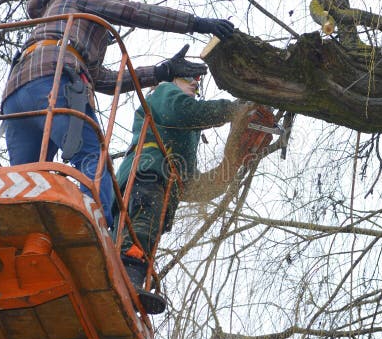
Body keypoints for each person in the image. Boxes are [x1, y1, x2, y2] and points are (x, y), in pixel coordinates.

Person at [1, 0, 235, 227]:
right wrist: (195, 23)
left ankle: (18, 230)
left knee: (26, 179)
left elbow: (104, 80)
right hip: (54, 79)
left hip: (15, 94)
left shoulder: (61, 28)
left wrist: (162, 71)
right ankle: (97, 226)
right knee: (92, 158)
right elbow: (131, 12)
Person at [113, 58, 274, 314]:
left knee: (146, 232)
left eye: (197, 86)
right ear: (173, 79)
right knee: (140, 228)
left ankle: (131, 280)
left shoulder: (188, 135)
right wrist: (235, 110)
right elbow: (186, 111)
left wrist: (230, 165)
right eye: (190, 80)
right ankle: (128, 276)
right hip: (146, 174)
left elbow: (193, 187)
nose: (194, 87)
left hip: (163, 188)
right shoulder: (164, 93)